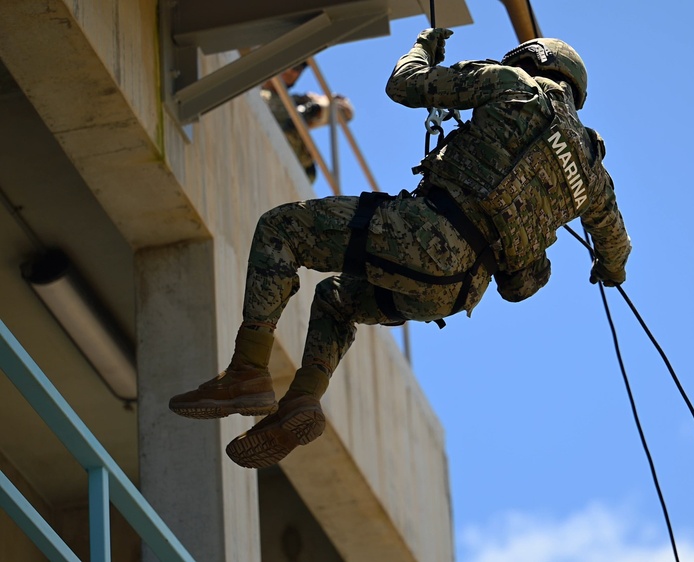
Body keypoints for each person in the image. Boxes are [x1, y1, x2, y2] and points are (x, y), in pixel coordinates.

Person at [168, 29, 631, 469]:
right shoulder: (593, 173)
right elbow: (616, 245)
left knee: (281, 229)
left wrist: (423, 46)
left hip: (425, 233)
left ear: (533, 61)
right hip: (458, 291)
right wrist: (610, 272)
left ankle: (247, 369)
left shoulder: (514, 84)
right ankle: (302, 398)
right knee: (336, 299)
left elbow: (404, 85)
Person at [261, 62, 355, 182]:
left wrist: (318, 107)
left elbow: (346, 112)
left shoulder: (296, 101)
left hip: (282, 163)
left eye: (298, 68)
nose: (292, 71)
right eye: (291, 63)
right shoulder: (249, 91)